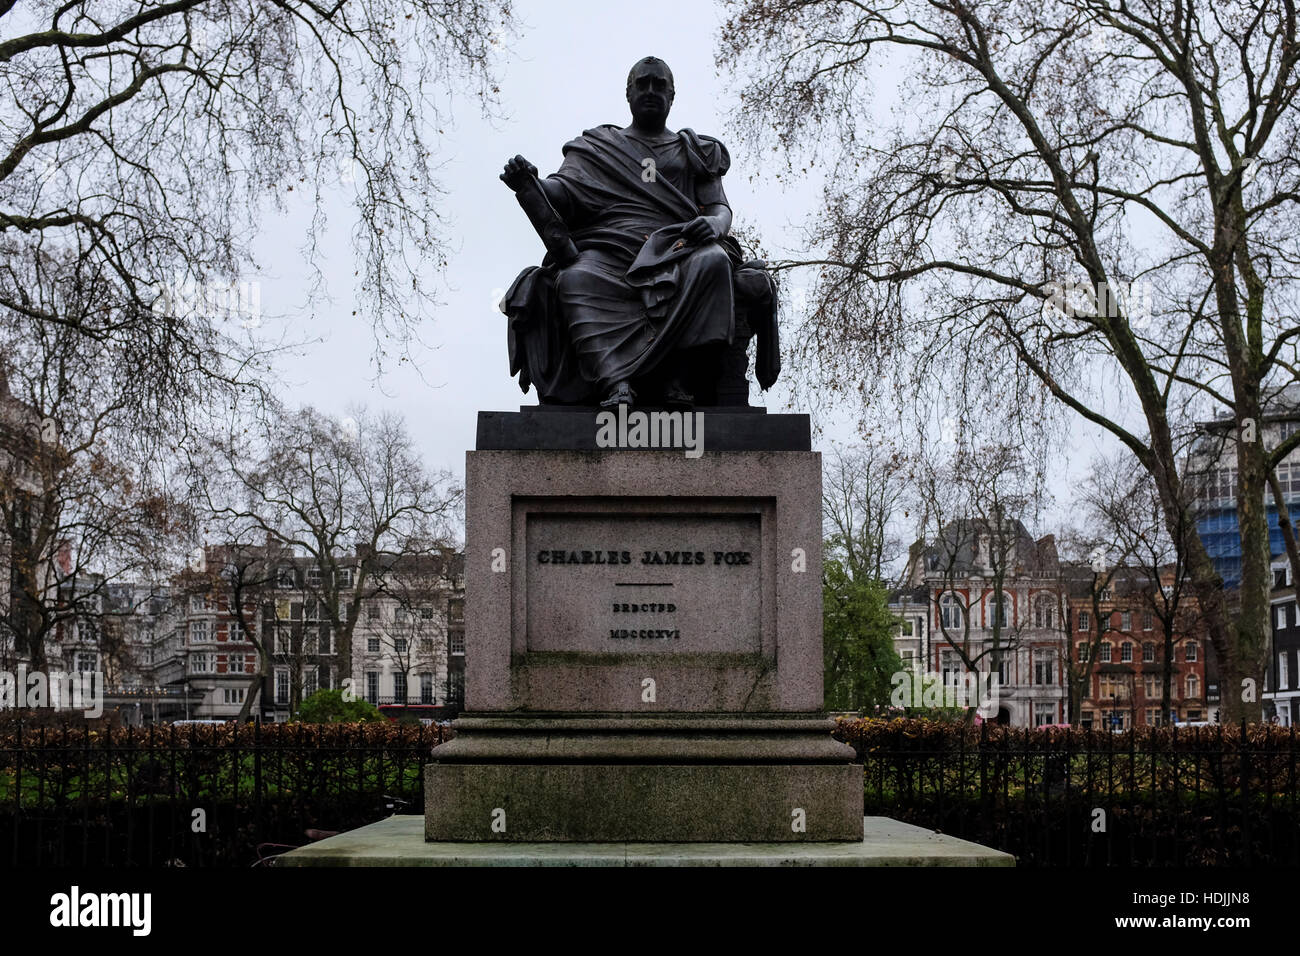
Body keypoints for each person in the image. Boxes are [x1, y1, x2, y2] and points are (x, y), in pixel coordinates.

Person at [500, 56, 766, 408]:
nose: (651, 90)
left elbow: (719, 206)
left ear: (673, 96)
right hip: (610, 250)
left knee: (714, 262)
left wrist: (716, 224)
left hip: (678, 247)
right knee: (575, 277)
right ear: (628, 93)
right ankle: (616, 382)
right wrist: (532, 183)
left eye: (660, 85)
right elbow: (562, 192)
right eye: (643, 84)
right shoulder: (596, 147)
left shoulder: (695, 151)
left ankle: (679, 380)